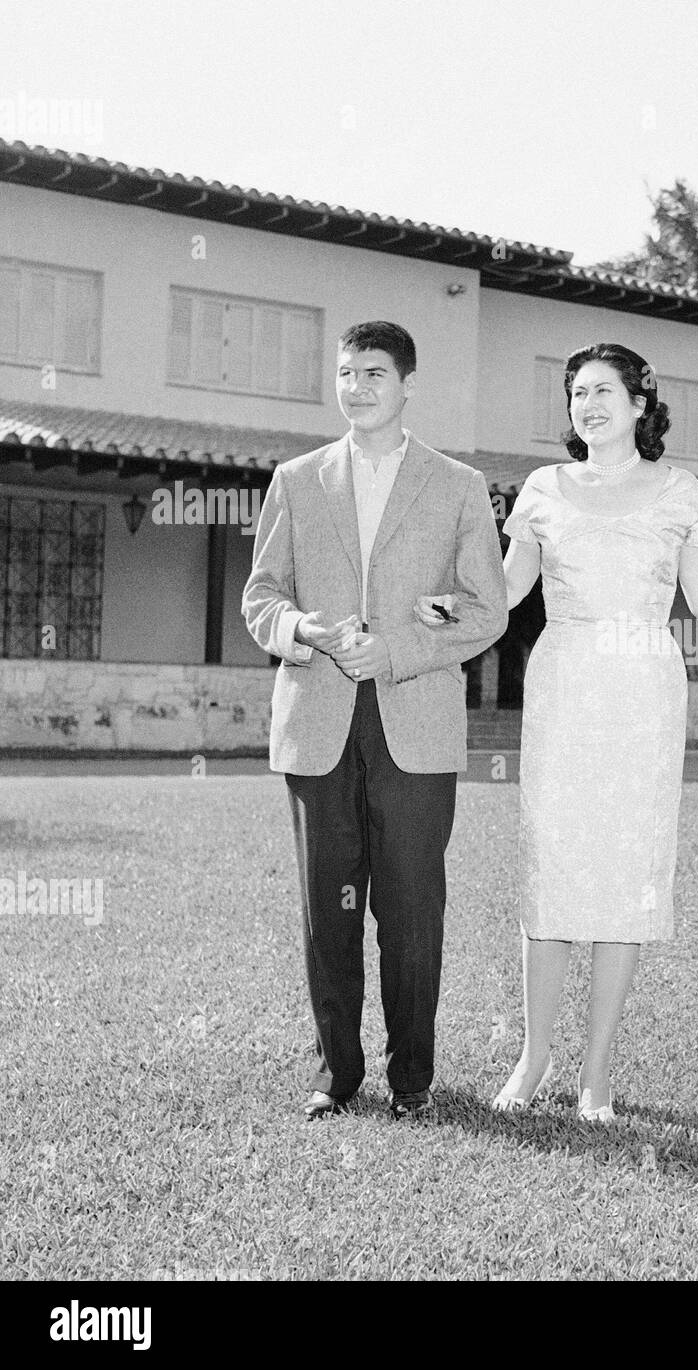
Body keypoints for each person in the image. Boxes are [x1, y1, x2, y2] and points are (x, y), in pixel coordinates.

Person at [419, 341, 698, 1122]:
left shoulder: (679, 490)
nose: (589, 404)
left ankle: (597, 1073)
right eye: (578, 392)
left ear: (642, 404)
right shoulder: (543, 488)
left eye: (605, 390)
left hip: (643, 688)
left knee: (626, 877)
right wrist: (443, 602)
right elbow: (507, 592)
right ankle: (534, 1057)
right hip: (565, 683)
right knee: (553, 873)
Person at [243, 320, 508, 1120]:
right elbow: (261, 597)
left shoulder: (459, 485)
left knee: (412, 908)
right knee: (329, 908)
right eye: (346, 372)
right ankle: (336, 1074)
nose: (356, 386)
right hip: (317, 722)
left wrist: (393, 651)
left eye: (374, 373)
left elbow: (485, 609)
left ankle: (413, 1079)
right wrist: (304, 633)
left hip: (414, 724)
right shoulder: (295, 479)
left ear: (407, 384)